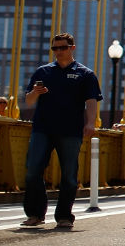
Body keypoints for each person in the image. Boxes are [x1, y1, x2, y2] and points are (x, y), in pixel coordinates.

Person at [20, 32, 102, 229]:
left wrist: (90, 123)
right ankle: (35, 214)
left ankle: (64, 216)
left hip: (70, 130)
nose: (58, 51)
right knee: (33, 171)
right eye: (55, 48)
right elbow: (28, 101)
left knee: (69, 175)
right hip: (42, 128)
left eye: (62, 47)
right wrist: (35, 92)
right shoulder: (43, 71)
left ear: (72, 48)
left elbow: (91, 100)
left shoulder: (85, 74)